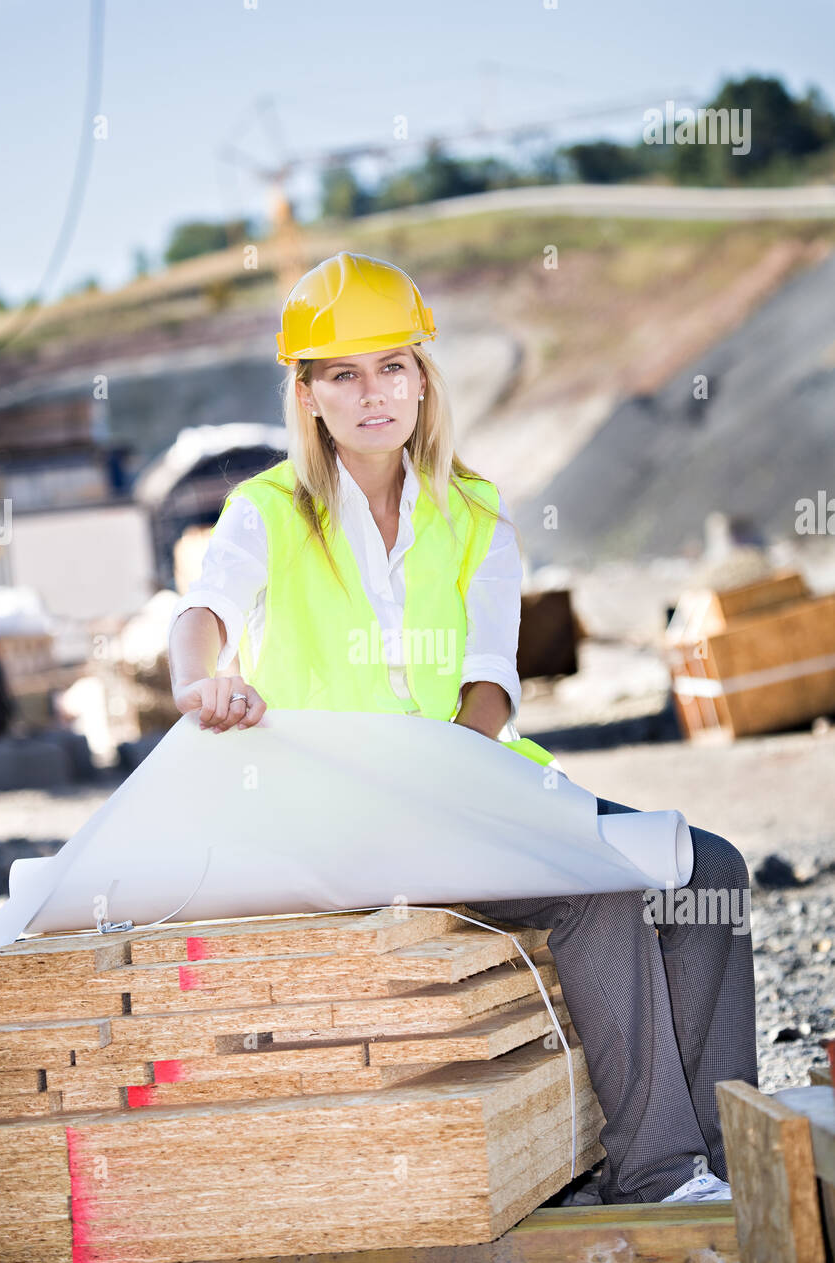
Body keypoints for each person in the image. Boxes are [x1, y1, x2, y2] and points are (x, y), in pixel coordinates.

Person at [167, 251, 758, 1207]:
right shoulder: (267, 511)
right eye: (344, 374)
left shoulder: (475, 510)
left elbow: (490, 678)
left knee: (714, 869)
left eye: (393, 367)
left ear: (422, 379)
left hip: (466, 783)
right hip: (341, 814)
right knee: (598, 894)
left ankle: (729, 1172)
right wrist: (200, 686)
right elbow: (205, 613)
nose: (373, 394)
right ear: (308, 393)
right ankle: (658, 1175)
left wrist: (464, 781)